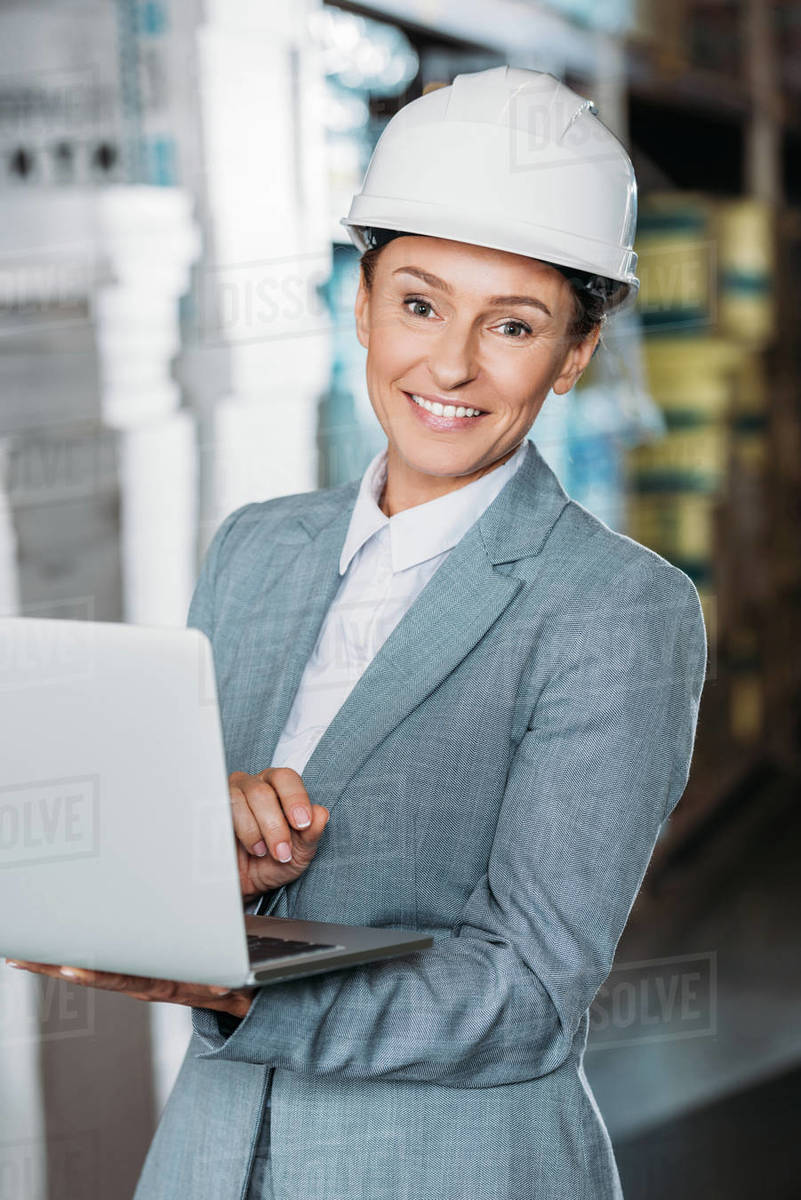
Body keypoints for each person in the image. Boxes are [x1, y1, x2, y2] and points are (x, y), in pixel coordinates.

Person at [8, 68, 707, 1199]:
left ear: (575, 354)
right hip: (206, 1158)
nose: (449, 365)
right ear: (364, 301)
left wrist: (234, 992)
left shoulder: (615, 609)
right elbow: (194, 892)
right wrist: (194, 862)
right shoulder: (256, 549)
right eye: (420, 304)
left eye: (514, 325)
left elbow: (528, 997)